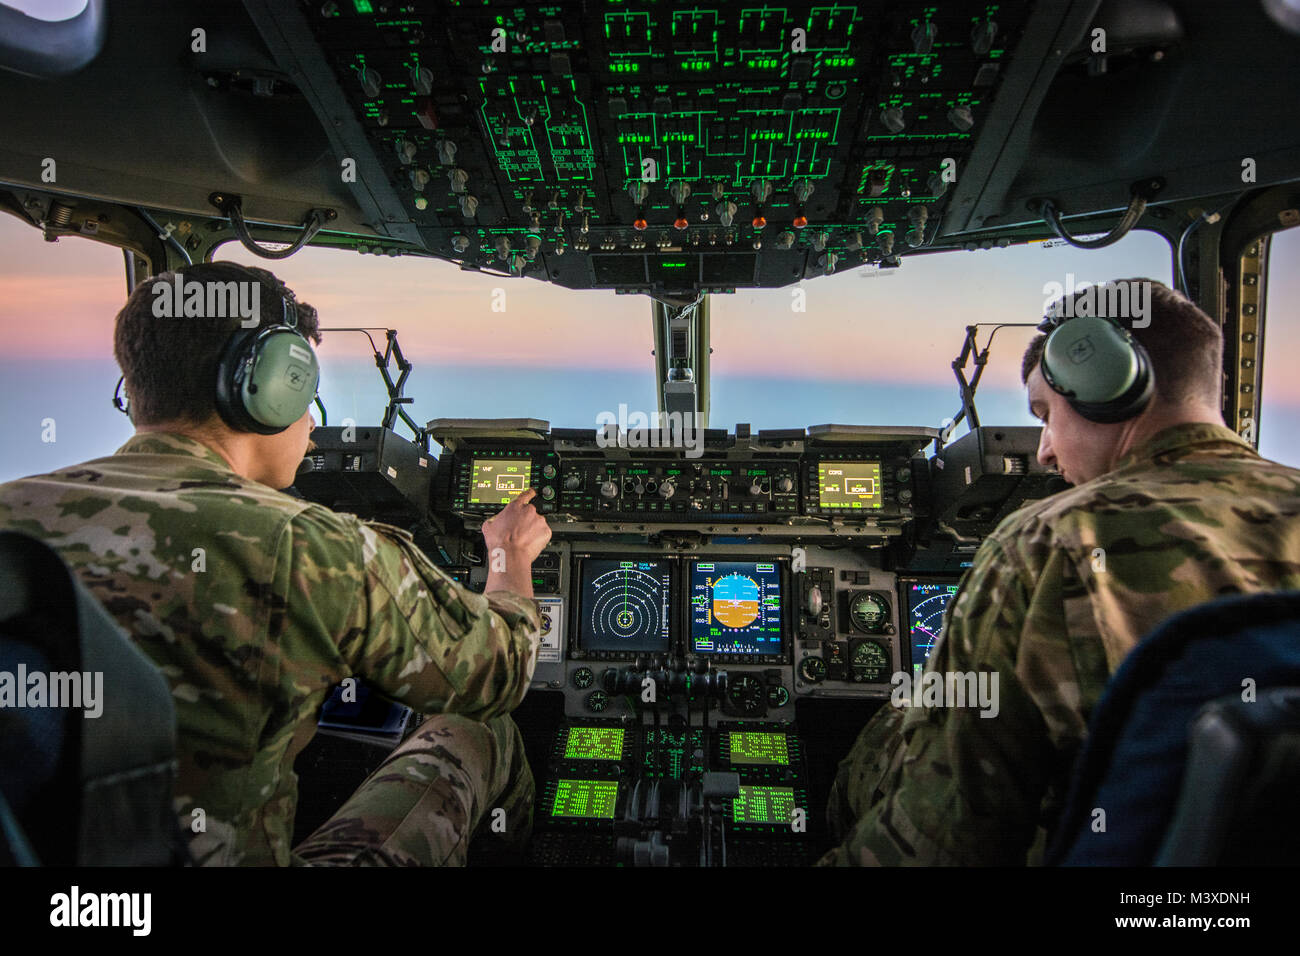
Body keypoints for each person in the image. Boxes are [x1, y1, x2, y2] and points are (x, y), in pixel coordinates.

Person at [0, 260, 551, 866]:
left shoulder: (9, 510)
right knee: (481, 732)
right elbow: (497, 673)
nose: (312, 423)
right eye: (306, 392)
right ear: (270, 385)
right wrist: (509, 555)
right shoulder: (304, 543)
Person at [818, 278, 1300, 865]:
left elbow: (941, 842)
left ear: (1109, 386)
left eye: (1047, 413)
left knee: (897, 719)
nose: (1045, 451)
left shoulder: (1048, 544)